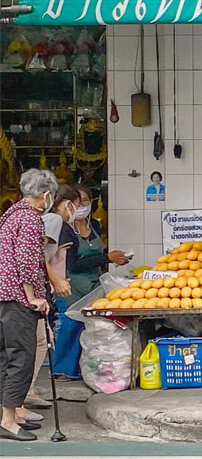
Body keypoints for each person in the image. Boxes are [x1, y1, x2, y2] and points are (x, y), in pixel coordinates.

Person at [0, 169, 56, 441]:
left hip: (3, 297)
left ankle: (9, 414)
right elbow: (26, 262)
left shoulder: (11, 214)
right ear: (44, 194)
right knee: (21, 357)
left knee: (5, 356)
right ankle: (9, 420)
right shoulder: (31, 219)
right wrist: (33, 296)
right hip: (17, 298)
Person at [52, 186, 130, 380]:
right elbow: (73, 264)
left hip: (93, 283)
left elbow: (99, 256)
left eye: (86, 200)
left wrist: (115, 259)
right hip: (71, 284)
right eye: (78, 201)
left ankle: (84, 367)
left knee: (93, 326)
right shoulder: (64, 229)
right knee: (72, 324)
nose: (82, 205)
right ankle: (62, 369)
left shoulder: (94, 224)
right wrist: (106, 259)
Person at [23, 185, 75, 413]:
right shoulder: (53, 219)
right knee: (37, 341)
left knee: (41, 340)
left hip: (34, 289)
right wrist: (55, 280)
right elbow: (38, 255)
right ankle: (23, 395)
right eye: (77, 203)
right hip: (33, 291)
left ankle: (27, 392)